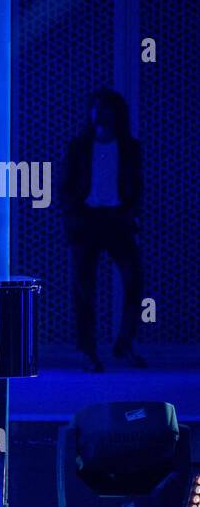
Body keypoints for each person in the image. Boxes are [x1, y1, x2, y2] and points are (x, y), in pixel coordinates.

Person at [59, 88, 145, 372]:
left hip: (118, 220)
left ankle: (124, 344)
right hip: (86, 221)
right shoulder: (79, 146)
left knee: (134, 281)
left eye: (105, 108)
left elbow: (136, 185)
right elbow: (66, 185)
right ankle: (89, 351)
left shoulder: (129, 147)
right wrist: (74, 215)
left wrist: (132, 214)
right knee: (84, 290)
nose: (99, 114)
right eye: (95, 107)